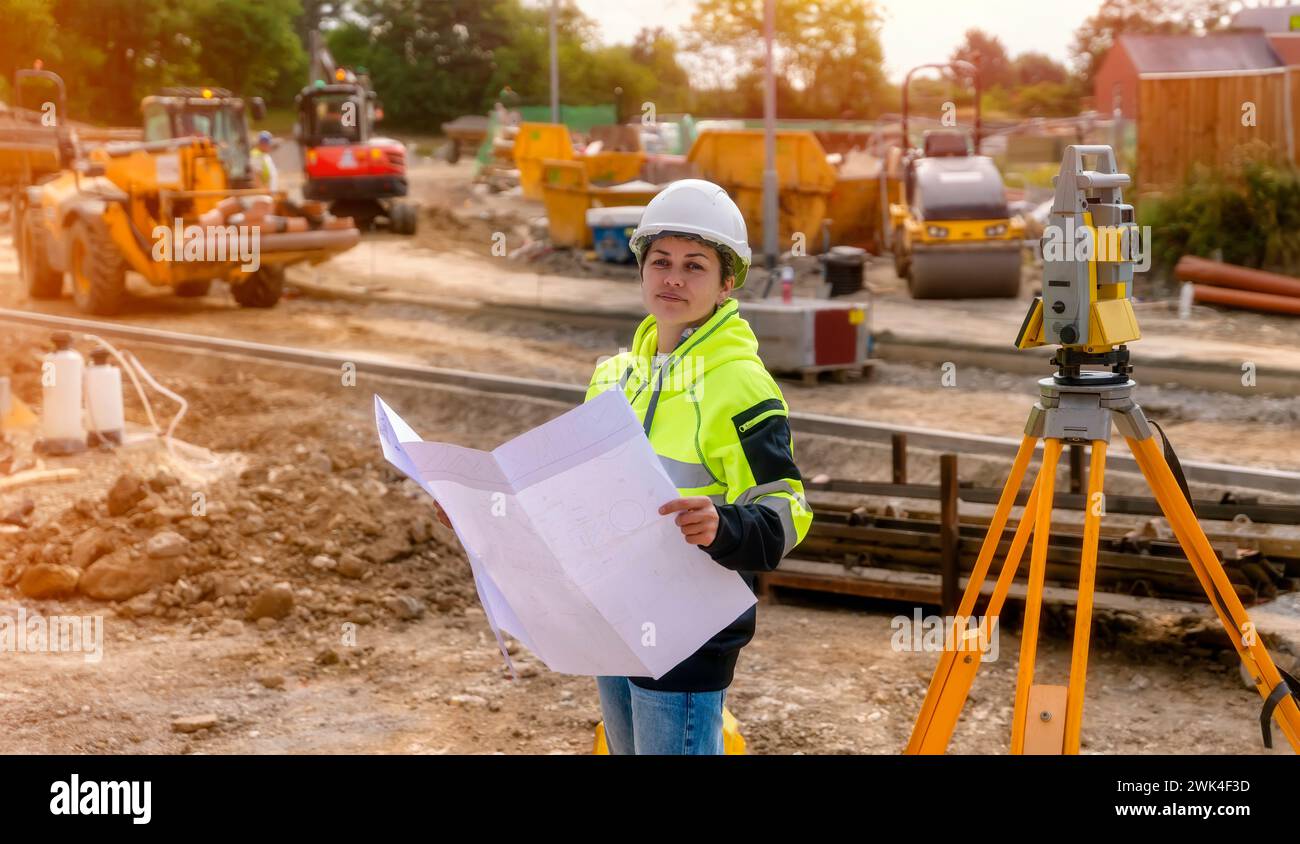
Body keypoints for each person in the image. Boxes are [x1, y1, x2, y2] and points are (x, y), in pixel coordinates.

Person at [584, 178, 813, 754]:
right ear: (640, 271)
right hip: (616, 616)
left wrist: (724, 525)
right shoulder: (615, 376)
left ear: (725, 283)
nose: (673, 278)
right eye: (660, 262)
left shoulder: (740, 382)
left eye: (695, 265)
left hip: (688, 632)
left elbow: (788, 512)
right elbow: (572, 491)